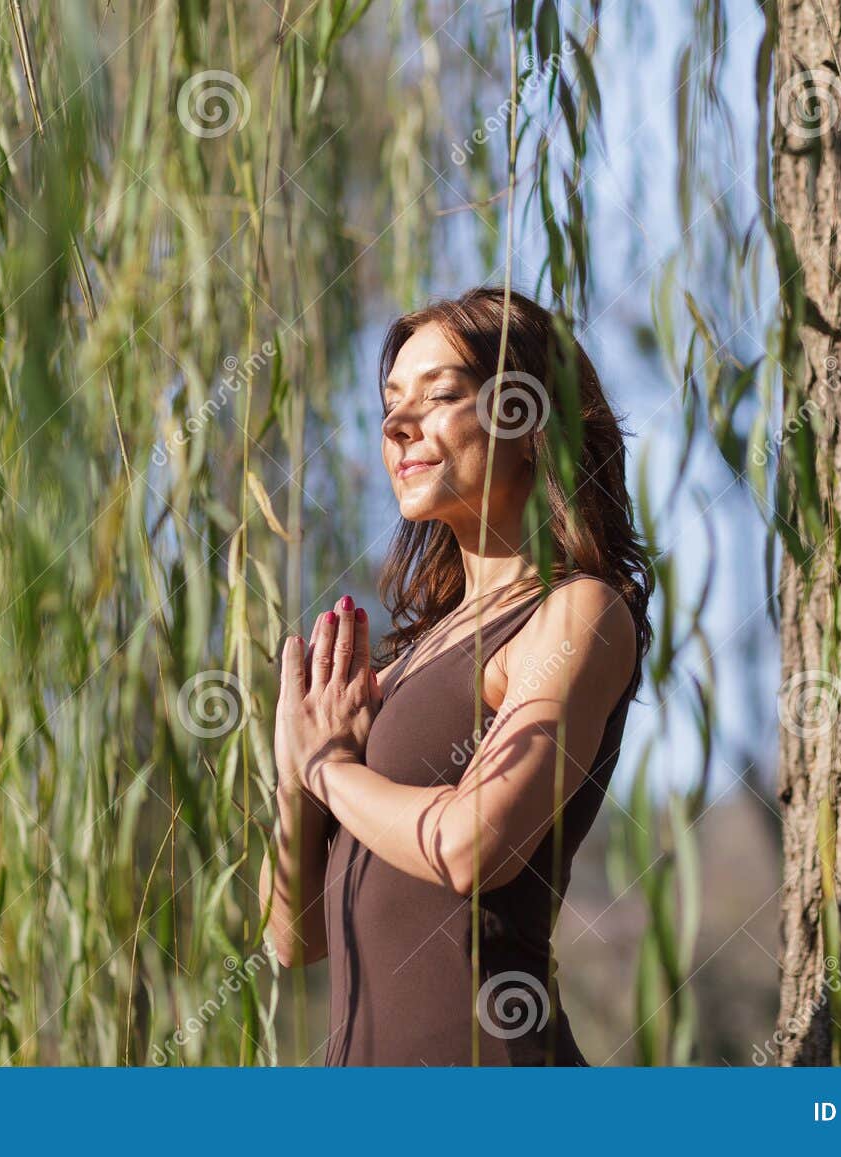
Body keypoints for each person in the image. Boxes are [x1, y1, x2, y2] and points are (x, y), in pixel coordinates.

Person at [261, 285, 654, 1065]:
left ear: (527, 423)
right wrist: (293, 779)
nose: (398, 425)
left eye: (439, 396)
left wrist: (328, 770)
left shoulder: (575, 612)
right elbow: (294, 936)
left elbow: (475, 845)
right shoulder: (403, 660)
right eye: (390, 404)